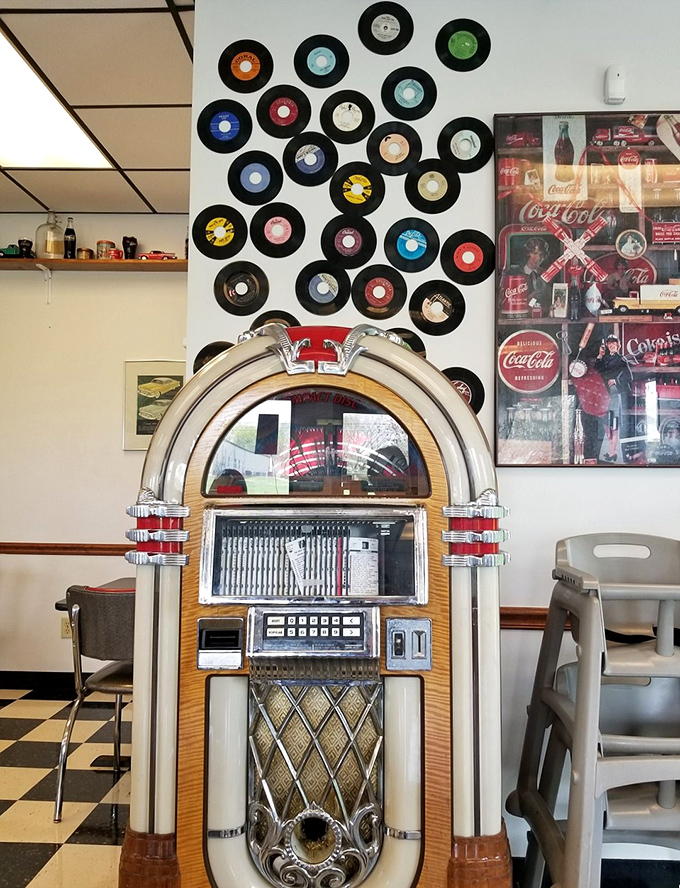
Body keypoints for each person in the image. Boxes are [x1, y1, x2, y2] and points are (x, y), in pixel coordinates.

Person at [593, 334, 632, 463]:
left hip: (615, 394)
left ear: (618, 345)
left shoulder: (621, 360)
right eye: (610, 343)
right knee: (605, 422)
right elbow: (596, 370)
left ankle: (613, 452)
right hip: (603, 394)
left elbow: (629, 376)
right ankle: (611, 451)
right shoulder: (604, 359)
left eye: (614, 343)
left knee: (614, 423)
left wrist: (616, 380)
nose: (612, 345)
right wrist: (599, 355)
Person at [522, 236, 550, 310]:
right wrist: (530, 297)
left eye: (541, 255)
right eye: (535, 253)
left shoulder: (546, 274)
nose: (538, 258)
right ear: (528, 254)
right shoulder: (518, 274)